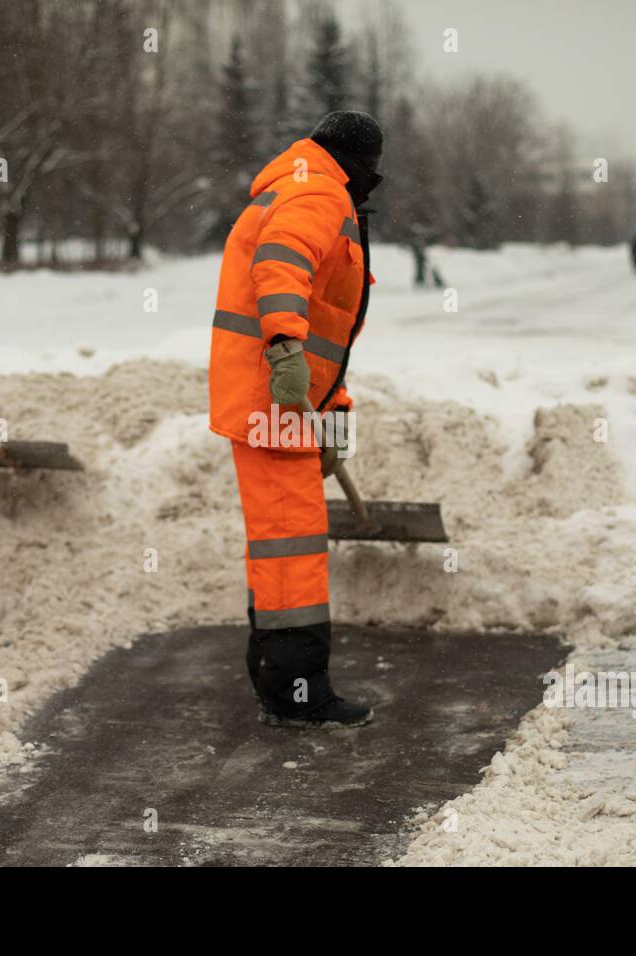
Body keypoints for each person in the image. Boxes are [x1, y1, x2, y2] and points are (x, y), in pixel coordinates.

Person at [207, 110, 384, 728]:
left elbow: (328, 328)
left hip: (289, 399)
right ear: (357, 164)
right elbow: (281, 266)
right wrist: (283, 348)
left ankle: (279, 678)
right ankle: (297, 692)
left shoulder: (313, 185)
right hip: (273, 401)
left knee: (283, 546)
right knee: (291, 548)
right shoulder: (316, 192)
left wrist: (334, 421)